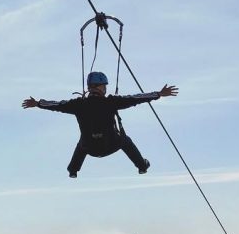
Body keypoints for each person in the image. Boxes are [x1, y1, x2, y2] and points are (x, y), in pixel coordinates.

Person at [22, 71, 178, 177]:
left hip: (90, 148)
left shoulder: (78, 104)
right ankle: (142, 166)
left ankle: (73, 170)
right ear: (100, 86)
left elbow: (57, 105)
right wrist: (158, 94)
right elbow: (135, 99)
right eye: (104, 86)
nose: (105, 88)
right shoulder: (111, 102)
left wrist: (38, 103)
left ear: (90, 87)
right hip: (110, 145)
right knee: (125, 140)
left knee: (82, 142)